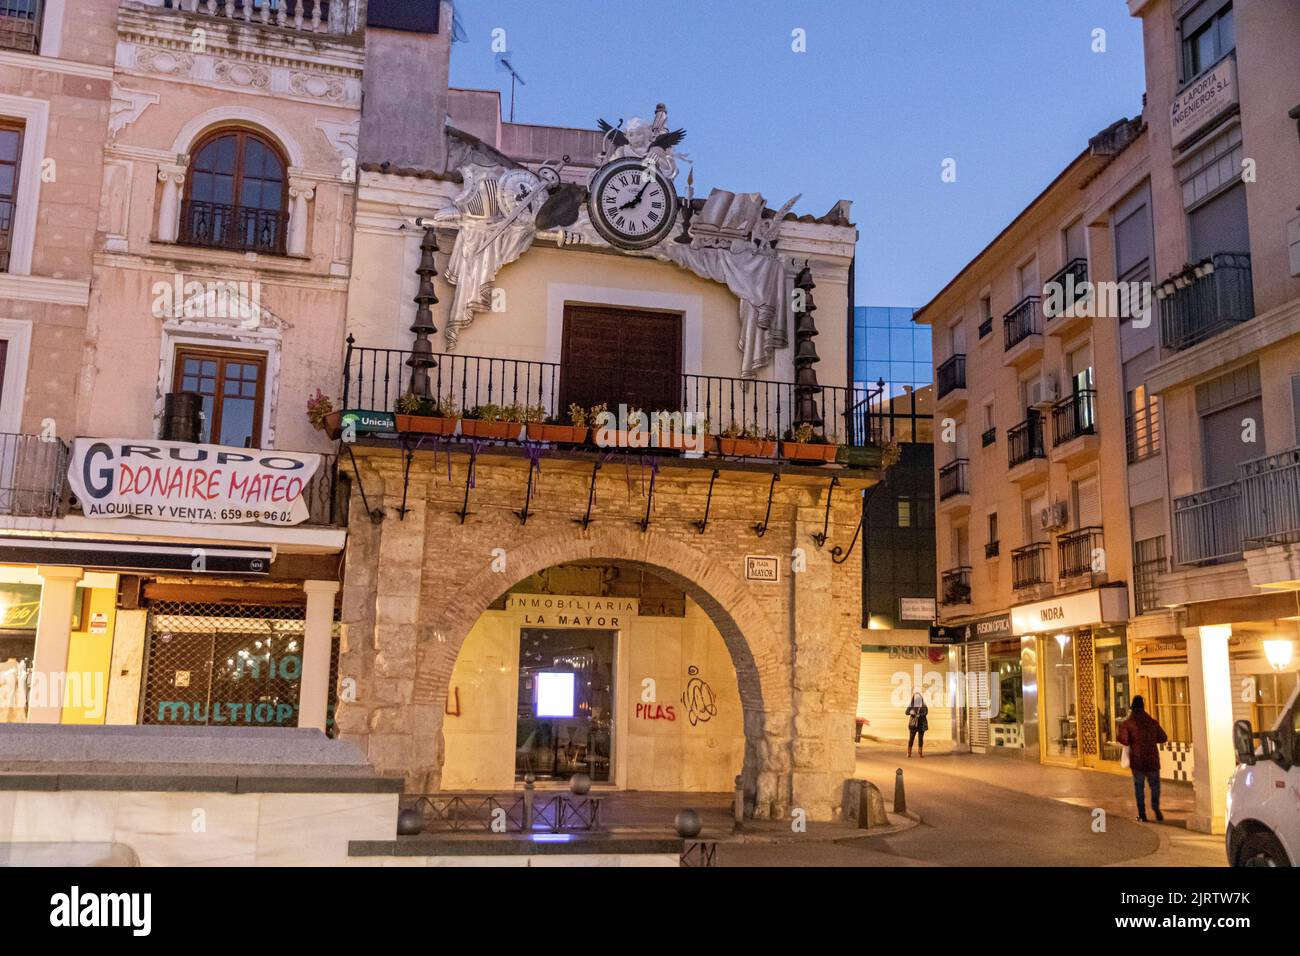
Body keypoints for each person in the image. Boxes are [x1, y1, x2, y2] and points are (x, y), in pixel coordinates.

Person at [1117, 694, 1168, 822]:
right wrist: (1150, 738)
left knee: (1139, 787)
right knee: (1155, 785)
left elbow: (1124, 740)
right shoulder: (1152, 722)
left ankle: (1142, 814)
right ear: (1143, 707)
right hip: (1152, 759)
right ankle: (1156, 808)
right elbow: (1163, 737)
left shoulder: (1128, 723)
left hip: (1138, 760)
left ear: (1132, 708)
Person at [905, 688, 928, 758]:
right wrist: (910, 712)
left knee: (920, 738)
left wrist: (917, 714)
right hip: (914, 724)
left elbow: (925, 712)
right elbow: (906, 712)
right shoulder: (912, 705)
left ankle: (919, 751)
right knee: (912, 738)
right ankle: (909, 752)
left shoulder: (923, 705)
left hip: (921, 724)